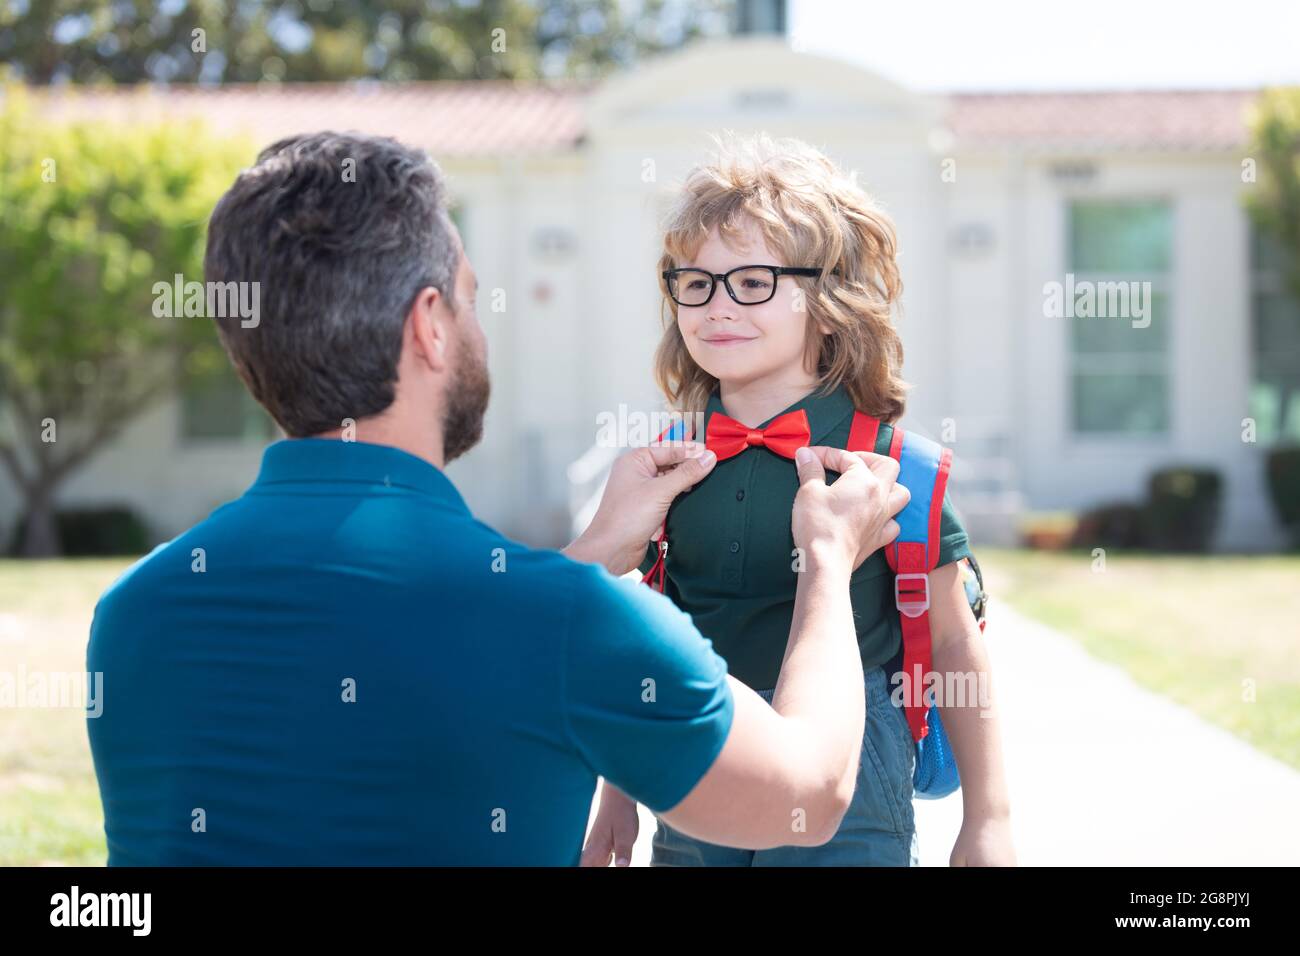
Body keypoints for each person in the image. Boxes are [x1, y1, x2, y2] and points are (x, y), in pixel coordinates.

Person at [85, 131, 909, 865]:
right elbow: (803, 798)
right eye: (473, 298)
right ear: (430, 326)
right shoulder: (570, 624)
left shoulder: (134, 611)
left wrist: (588, 559)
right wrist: (830, 561)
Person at [583, 133, 1015, 867]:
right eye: (695, 282)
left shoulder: (891, 466)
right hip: (699, 753)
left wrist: (990, 819)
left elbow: (953, 645)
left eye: (752, 282)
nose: (717, 307)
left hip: (852, 767)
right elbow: (645, 641)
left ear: (827, 300)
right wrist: (616, 794)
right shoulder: (662, 468)